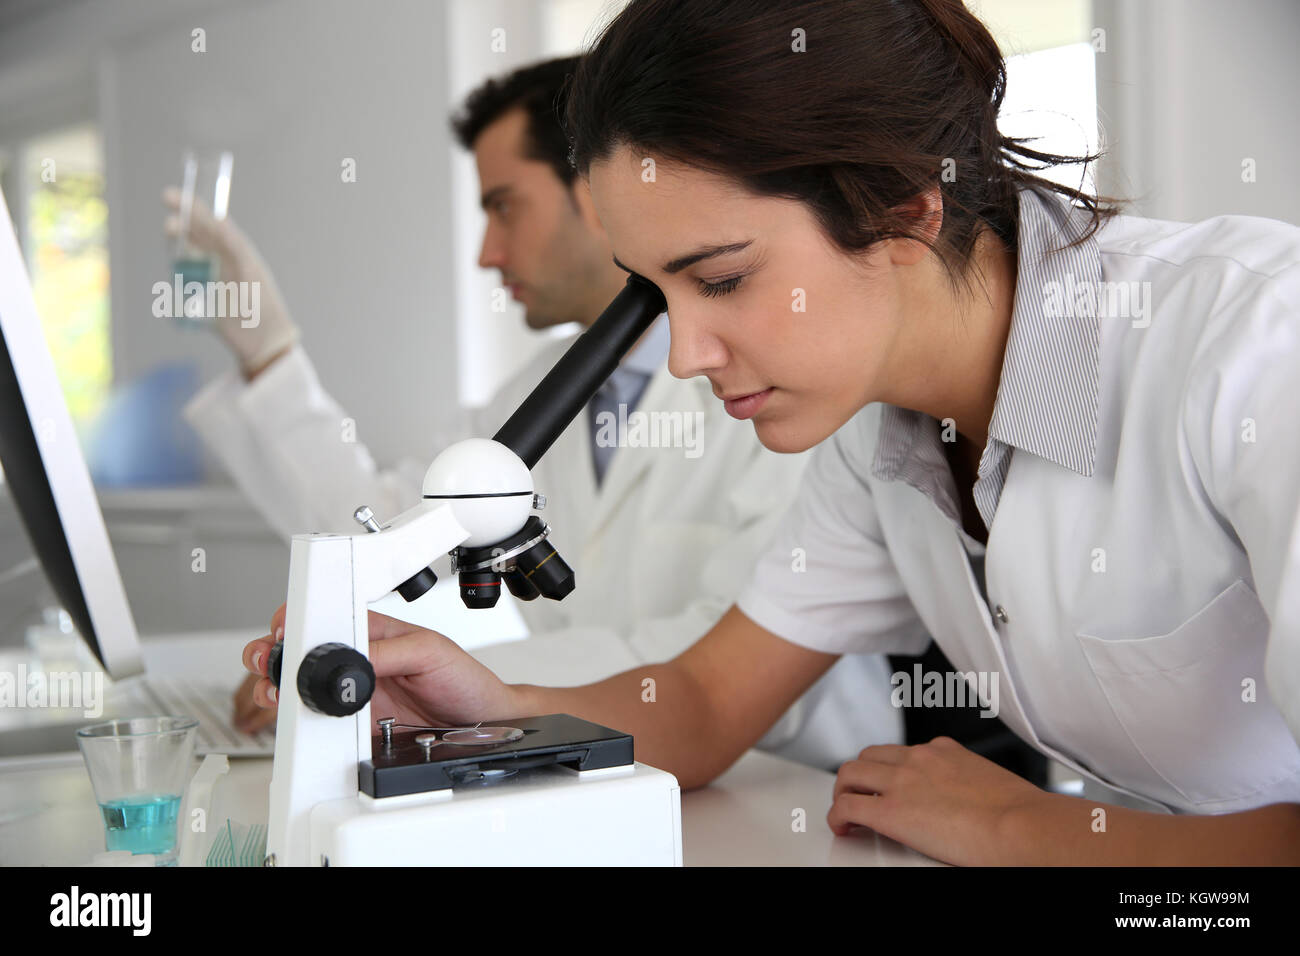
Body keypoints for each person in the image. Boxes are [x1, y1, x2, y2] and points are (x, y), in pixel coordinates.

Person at [245, 0, 1300, 864]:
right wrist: (486, 707)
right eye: (657, 295)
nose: (685, 354)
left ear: (899, 205)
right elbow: (705, 699)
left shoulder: (1253, 346)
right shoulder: (876, 425)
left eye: (721, 279)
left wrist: (1030, 825)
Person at [172, 56, 905, 771]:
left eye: (503, 206)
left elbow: (711, 658)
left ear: (602, 194)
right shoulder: (534, 392)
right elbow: (397, 530)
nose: (487, 254)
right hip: (595, 770)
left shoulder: (792, 378)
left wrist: (457, 680)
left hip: (783, 789)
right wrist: (270, 356)